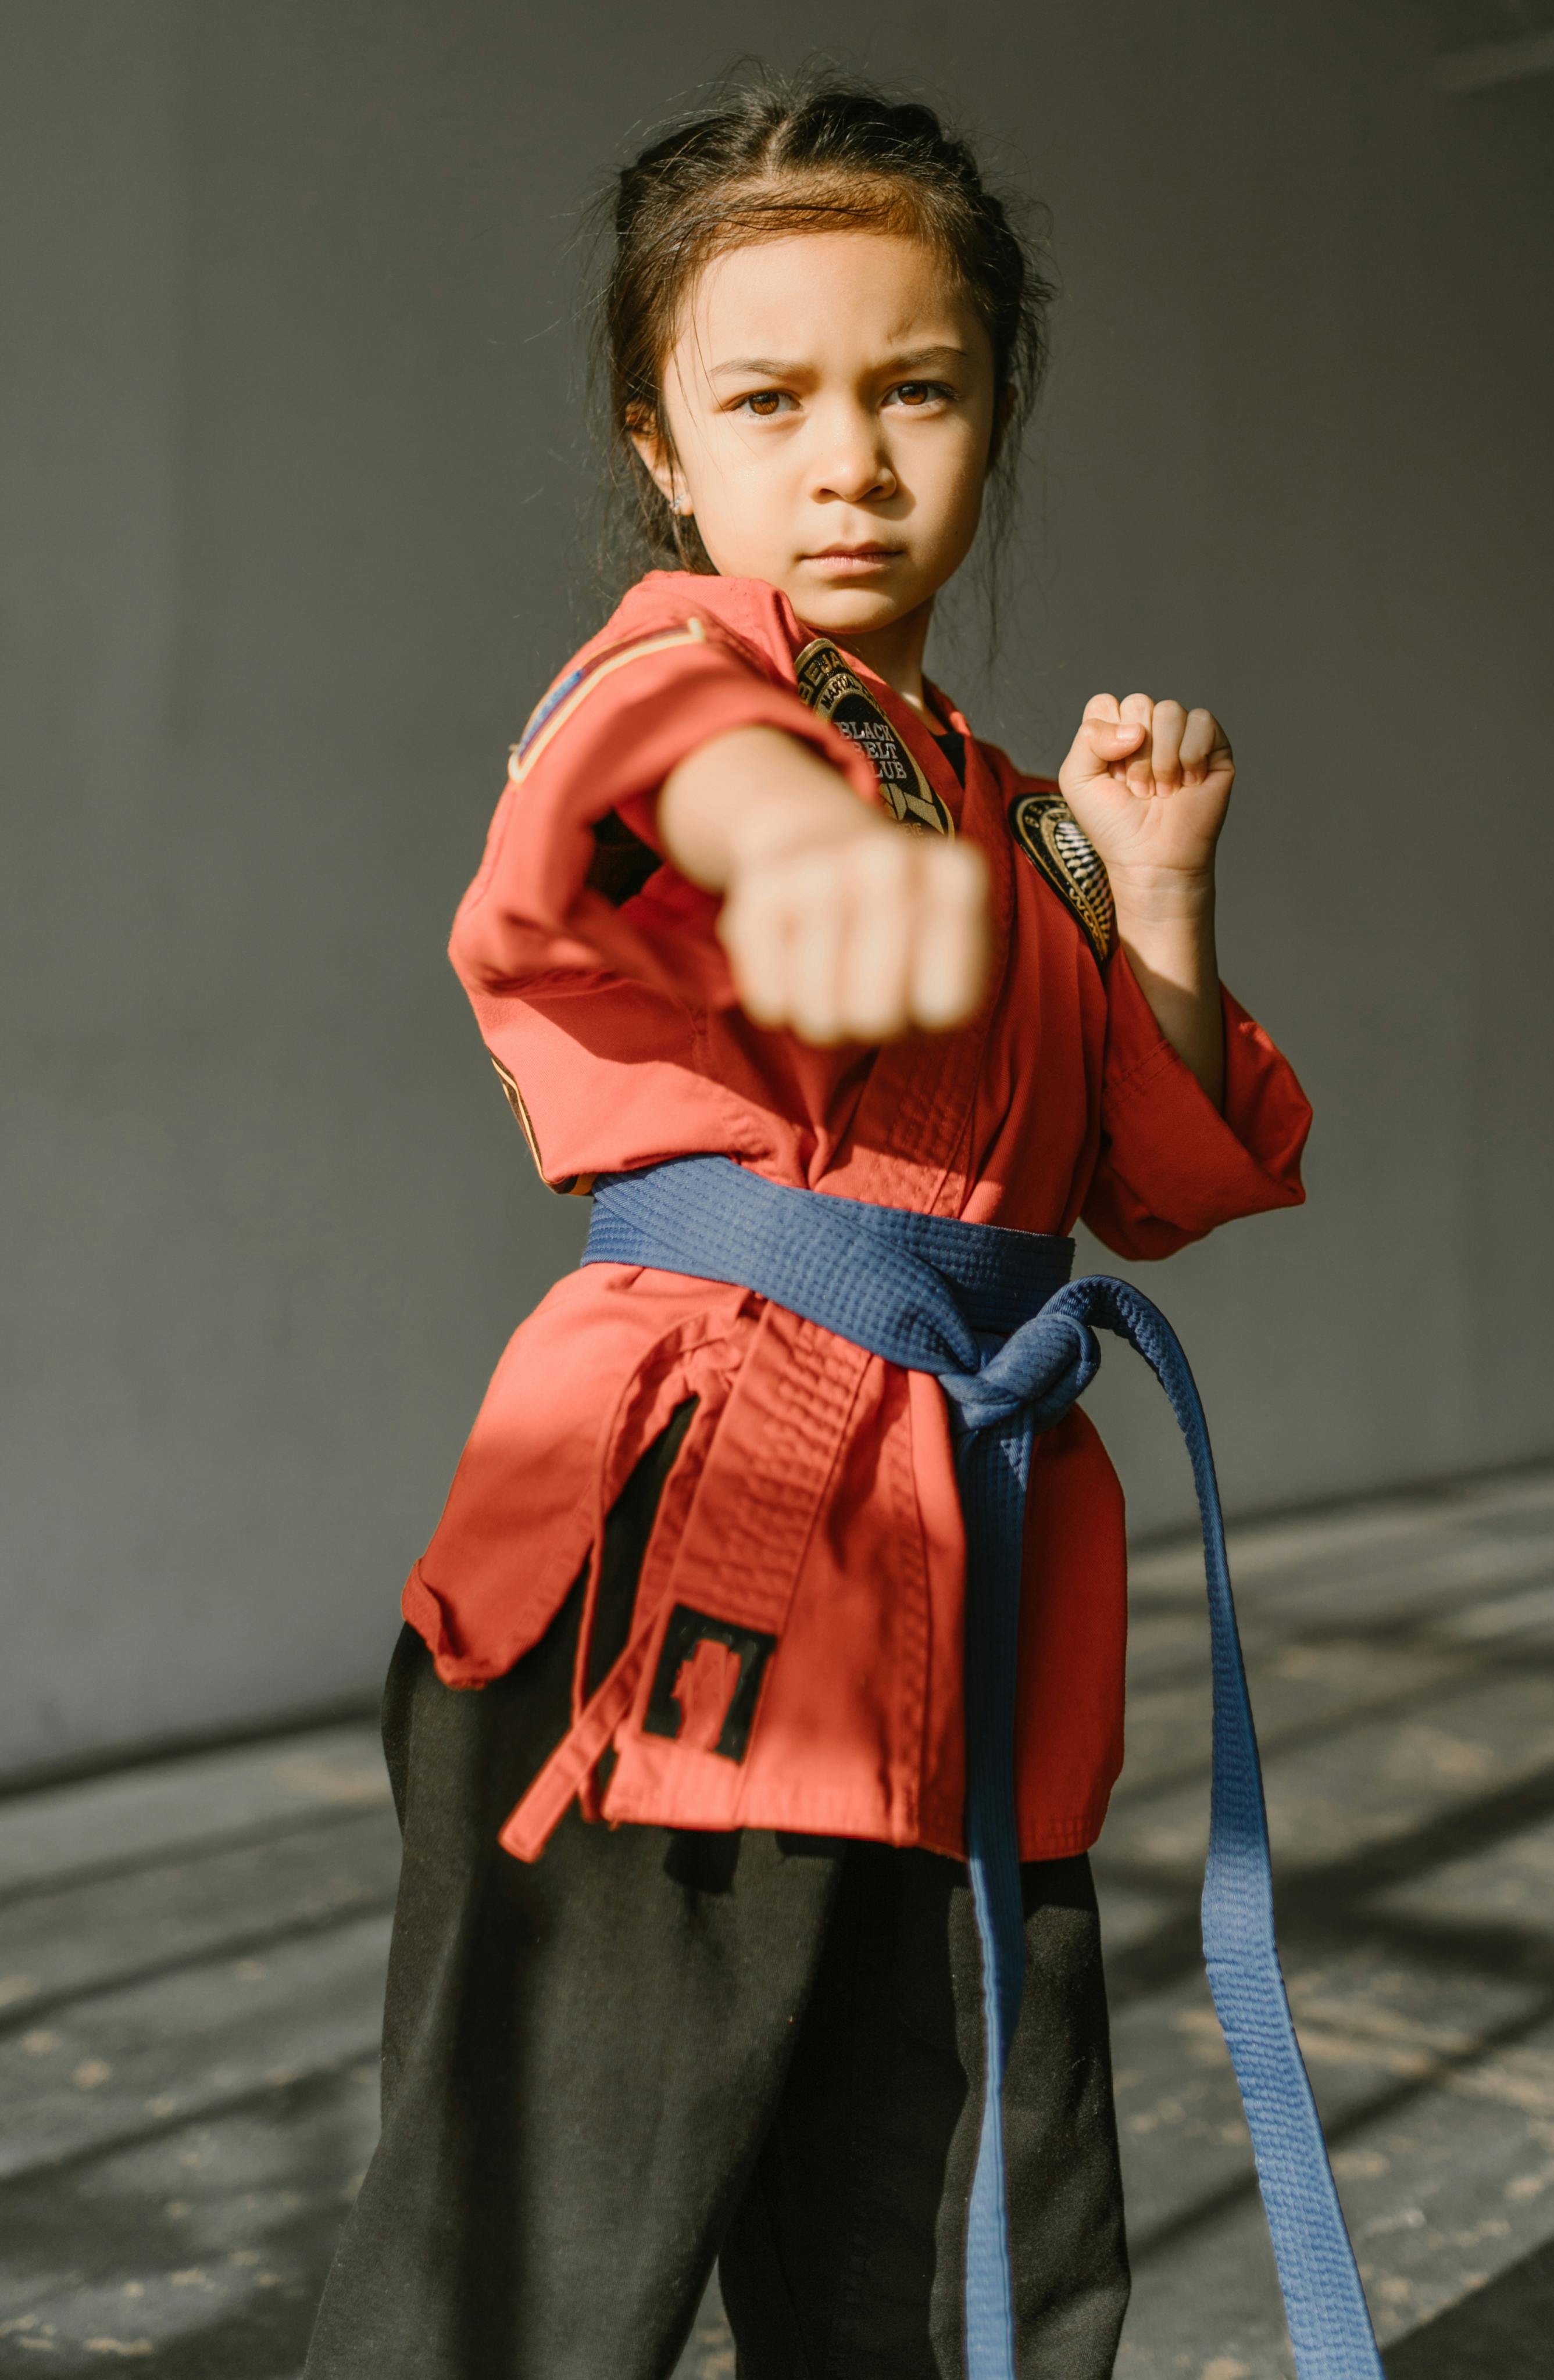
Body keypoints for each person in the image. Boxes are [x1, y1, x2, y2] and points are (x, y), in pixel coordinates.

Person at [305, 76, 1312, 2380]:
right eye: (766, 401)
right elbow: (672, 763)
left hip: (971, 1594)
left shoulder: (1017, 823)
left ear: (991, 414)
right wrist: (801, 848)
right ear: (664, 444)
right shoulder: (671, 690)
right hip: (681, 1577)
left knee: (972, 2251)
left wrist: (1150, 896)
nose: (845, 459)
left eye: (913, 390)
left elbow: (1150, 1178)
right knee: (533, 2262)